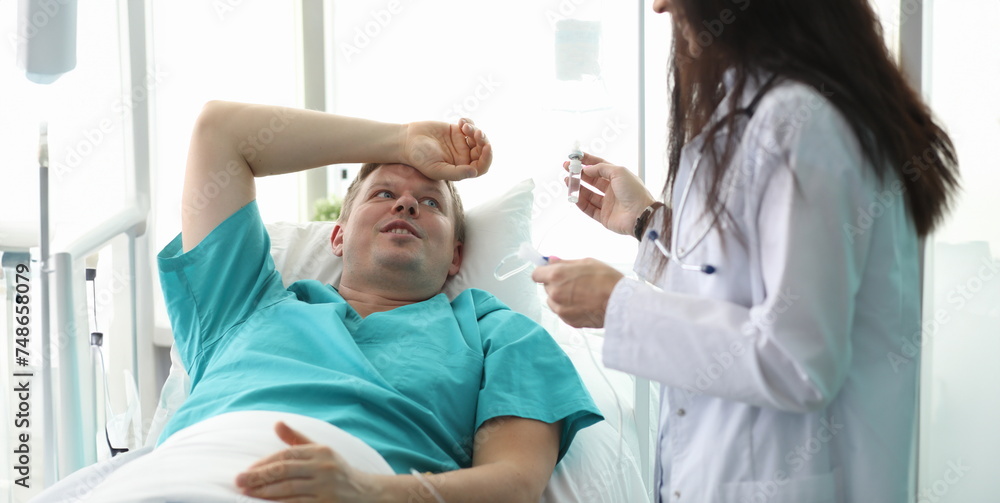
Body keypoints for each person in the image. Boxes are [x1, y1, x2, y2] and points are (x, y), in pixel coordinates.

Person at [35, 102, 601, 503]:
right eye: (384, 194)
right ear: (336, 235)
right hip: (183, 470)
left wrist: (371, 493)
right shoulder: (247, 302)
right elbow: (219, 132)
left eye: (428, 203)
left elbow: (515, 484)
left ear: (456, 255)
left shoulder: (497, 333)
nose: (405, 205)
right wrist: (400, 141)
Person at [532, 1, 959, 502]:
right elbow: (743, 290)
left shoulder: (801, 123)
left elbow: (797, 359)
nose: (659, 5)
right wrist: (649, 225)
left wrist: (618, 305)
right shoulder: (763, 113)